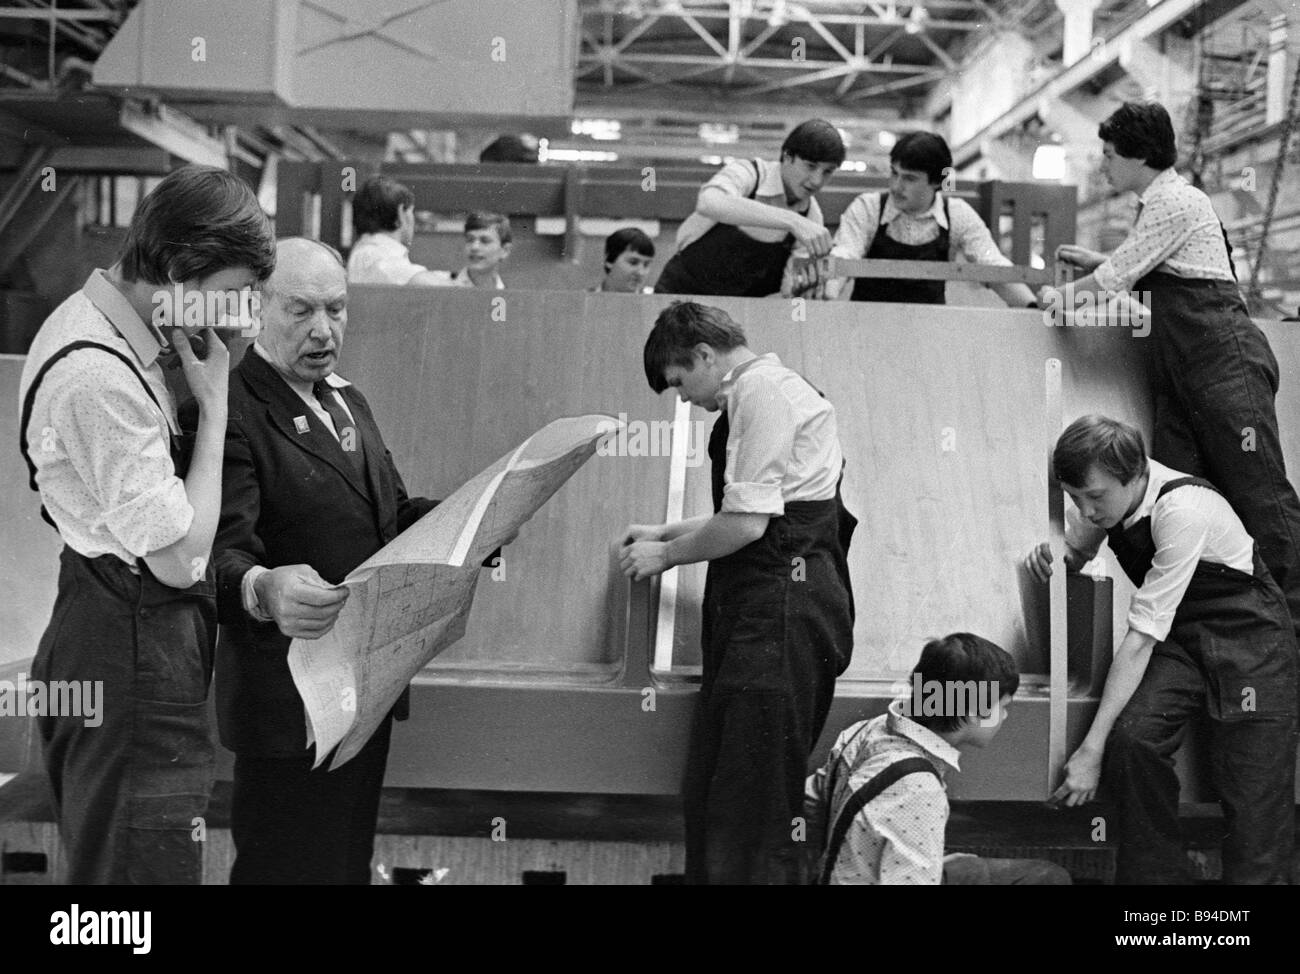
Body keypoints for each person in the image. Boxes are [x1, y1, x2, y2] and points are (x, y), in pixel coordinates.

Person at [18, 165, 275, 884]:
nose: (236, 315)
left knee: (118, 878)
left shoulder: (104, 330)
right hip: (128, 646)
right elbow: (180, 559)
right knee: (134, 888)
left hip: (120, 634)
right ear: (177, 270)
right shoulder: (99, 377)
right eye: (230, 293)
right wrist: (215, 405)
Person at [213, 237, 449, 884]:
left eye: (337, 309)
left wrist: (470, 519)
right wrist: (262, 587)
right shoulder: (231, 410)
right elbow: (216, 556)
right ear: (256, 310)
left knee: (345, 867)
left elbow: (388, 515)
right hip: (288, 707)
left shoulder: (349, 400)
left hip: (363, 692)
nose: (324, 329)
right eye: (302, 310)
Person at [1042, 101, 1300, 641]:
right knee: (1170, 498)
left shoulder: (1178, 200)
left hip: (1225, 365)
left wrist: (1059, 300)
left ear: (1139, 156)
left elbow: (1114, 281)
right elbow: (1161, 270)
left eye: (1110, 155)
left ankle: (1291, 633)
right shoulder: (1158, 207)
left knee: (1261, 499)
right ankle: (1205, 634)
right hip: (1183, 377)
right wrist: (1100, 266)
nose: (1104, 165)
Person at [619, 301, 857, 884]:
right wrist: (667, 531)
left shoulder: (759, 392)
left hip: (778, 618)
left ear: (705, 355)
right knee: (732, 794)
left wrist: (665, 555)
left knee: (748, 805)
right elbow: (763, 510)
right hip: (780, 612)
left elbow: (748, 526)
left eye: (679, 382)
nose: (682, 400)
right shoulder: (776, 386)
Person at [1026, 414, 1297, 884]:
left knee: (1254, 805)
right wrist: (1054, 556)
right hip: (1184, 639)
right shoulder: (1112, 500)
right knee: (1134, 743)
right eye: (1074, 497)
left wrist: (1090, 750)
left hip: (1252, 642)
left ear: (1134, 475)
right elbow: (1077, 551)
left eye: (1094, 497)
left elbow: (1140, 638)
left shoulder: (1182, 509)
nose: (1085, 511)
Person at [805, 633, 1071, 885]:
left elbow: (811, 805)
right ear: (975, 711)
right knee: (1049, 878)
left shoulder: (867, 730)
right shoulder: (918, 790)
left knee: (1043, 875)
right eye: (1002, 707)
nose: (1005, 716)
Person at [807, 132, 1037, 307]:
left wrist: (1033, 307)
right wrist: (828, 290)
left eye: (909, 178)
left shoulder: (957, 214)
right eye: (894, 173)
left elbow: (993, 266)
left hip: (930, 333)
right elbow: (845, 254)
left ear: (937, 182)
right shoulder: (868, 207)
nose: (896, 186)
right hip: (866, 329)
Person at [653, 119, 844, 298]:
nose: (817, 180)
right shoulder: (750, 173)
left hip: (737, 312)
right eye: (810, 166)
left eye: (827, 172)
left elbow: (789, 289)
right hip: (678, 294)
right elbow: (709, 202)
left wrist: (808, 286)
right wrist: (792, 221)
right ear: (787, 156)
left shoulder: (811, 217)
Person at [346, 175, 446, 287]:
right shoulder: (377, 256)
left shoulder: (364, 251)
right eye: (411, 211)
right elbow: (427, 283)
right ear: (401, 213)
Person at [590, 227, 655, 293]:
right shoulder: (585, 298)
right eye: (633, 262)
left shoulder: (655, 299)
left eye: (646, 265)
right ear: (609, 260)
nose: (641, 272)